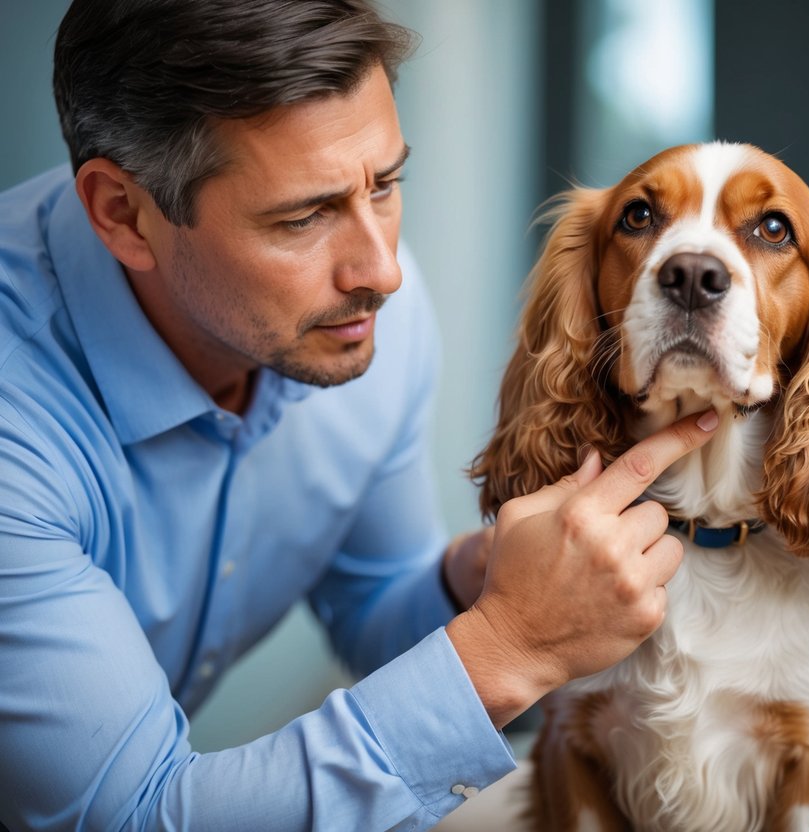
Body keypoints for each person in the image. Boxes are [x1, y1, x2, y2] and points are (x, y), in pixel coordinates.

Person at [0, 1, 718, 829]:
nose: (382, 271)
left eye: (384, 185)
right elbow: (135, 815)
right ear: (124, 214)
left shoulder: (358, 321)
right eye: (302, 217)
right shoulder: (22, 427)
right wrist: (511, 646)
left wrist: (478, 580)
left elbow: (375, 602)